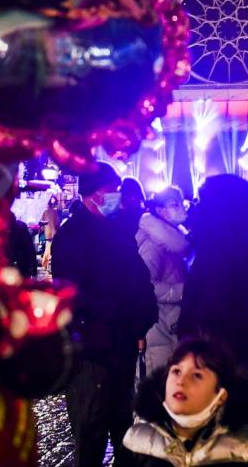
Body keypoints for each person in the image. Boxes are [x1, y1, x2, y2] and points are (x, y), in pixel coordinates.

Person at [52, 163, 158, 467]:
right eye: (112, 190)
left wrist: (141, 315)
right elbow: (74, 296)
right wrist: (117, 314)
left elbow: (138, 279)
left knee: (124, 429)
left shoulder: (117, 232)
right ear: (94, 194)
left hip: (120, 347)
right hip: (92, 353)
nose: (117, 197)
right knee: (91, 432)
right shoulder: (72, 237)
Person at [122, 339, 248, 467]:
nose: (181, 381)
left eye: (197, 375)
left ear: (221, 395)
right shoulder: (138, 440)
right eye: (176, 371)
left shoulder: (243, 448)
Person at [179, 175, 248, 374]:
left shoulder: (219, 246)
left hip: (218, 352)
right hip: (233, 346)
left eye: (203, 200)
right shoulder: (237, 239)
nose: (197, 207)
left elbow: (214, 302)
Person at [137, 186, 191, 374]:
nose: (181, 208)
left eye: (181, 203)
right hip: (160, 326)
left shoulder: (174, 241)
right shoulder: (154, 244)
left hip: (173, 323)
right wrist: (184, 290)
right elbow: (145, 285)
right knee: (162, 385)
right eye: (174, 204)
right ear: (160, 211)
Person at [114, 176, 147, 241]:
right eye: (129, 194)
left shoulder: (145, 214)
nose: (133, 198)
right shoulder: (116, 217)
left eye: (135, 194)